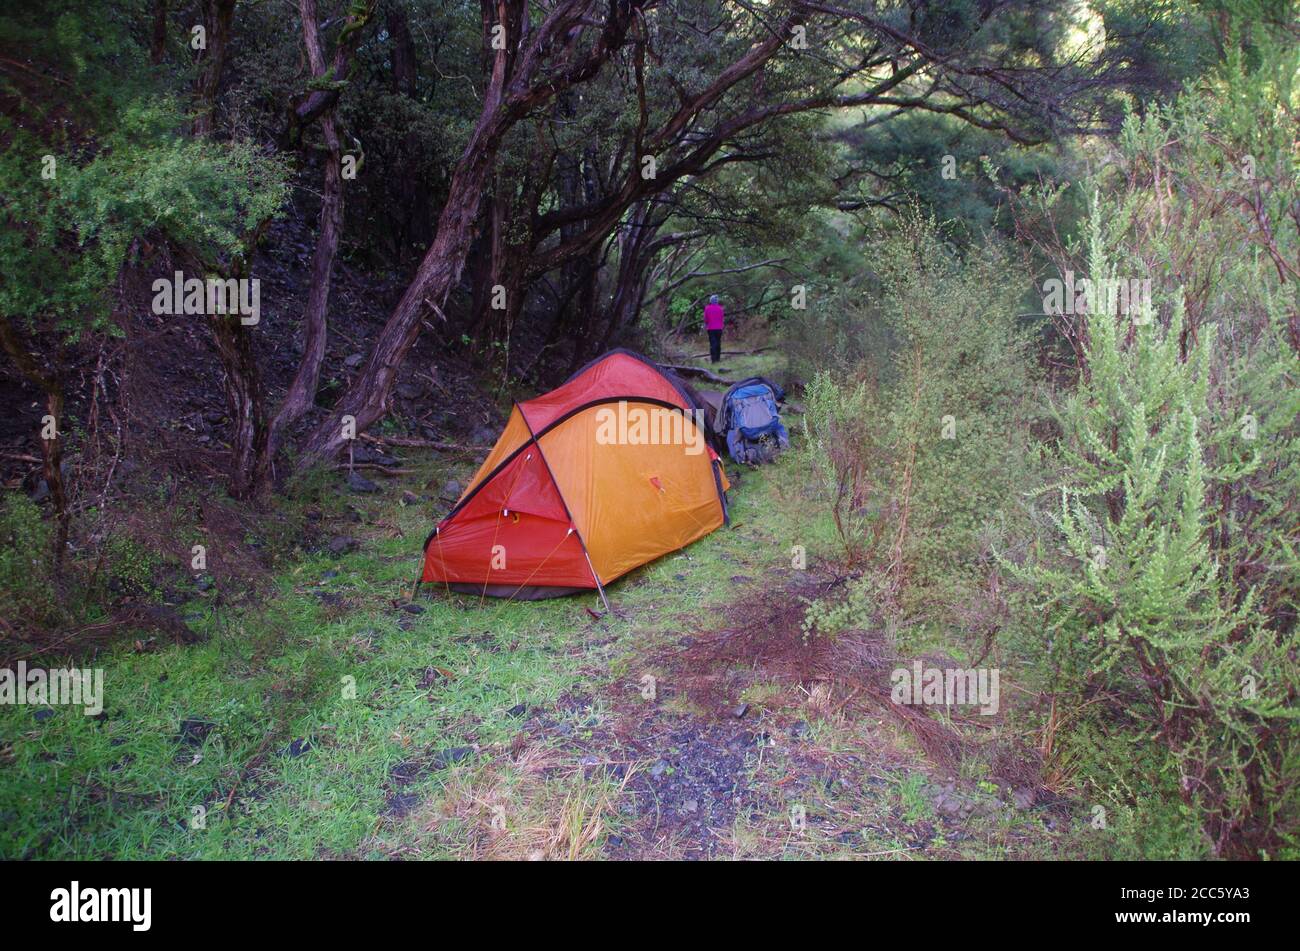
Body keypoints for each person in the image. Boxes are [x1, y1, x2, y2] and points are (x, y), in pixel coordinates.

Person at [704, 294, 724, 364]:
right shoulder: (720, 308)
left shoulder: (707, 308)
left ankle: (713, 360)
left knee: (713, 344)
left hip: (711, 328)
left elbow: (706, 319)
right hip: (719, 328)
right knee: (718, 343)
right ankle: (718, 359)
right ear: (717, 301)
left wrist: (706, 325)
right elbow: (722, 318)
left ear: (710, 301)